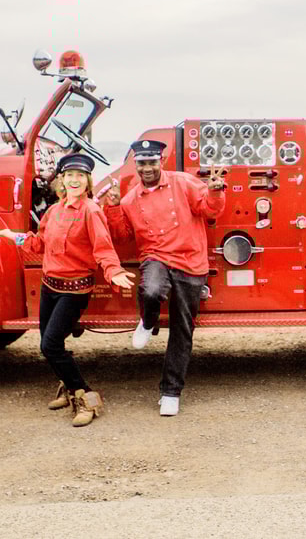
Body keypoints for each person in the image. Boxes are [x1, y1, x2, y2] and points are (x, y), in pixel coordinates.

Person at [0, 152, 136, 426]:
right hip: (50, 287)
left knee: (50, 345)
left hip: (74, 291)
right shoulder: (53, 211)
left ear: (88, 181)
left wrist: (114, 271)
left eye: (80, 176)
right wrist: (13, 237)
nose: (74, 180)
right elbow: (39, 243)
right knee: (48, 346)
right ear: (62, 180)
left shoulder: (91, 211)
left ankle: (86, 396)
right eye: (69, 175)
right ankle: (68, 388)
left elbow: (103, 247)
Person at [100, 139, 226, 416]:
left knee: (183, 329)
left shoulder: (184, 183)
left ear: (162, 162)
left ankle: (171, 392)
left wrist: (216, 191)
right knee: (151, 291)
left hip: (190, 260)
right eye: (142, 163)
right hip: (156, 256)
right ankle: (147, 321)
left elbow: (209, 210)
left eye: (152, 162)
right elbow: (123, 236)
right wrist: (113, 207)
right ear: (135, 165)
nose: (147, 168)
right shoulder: (131, 199)